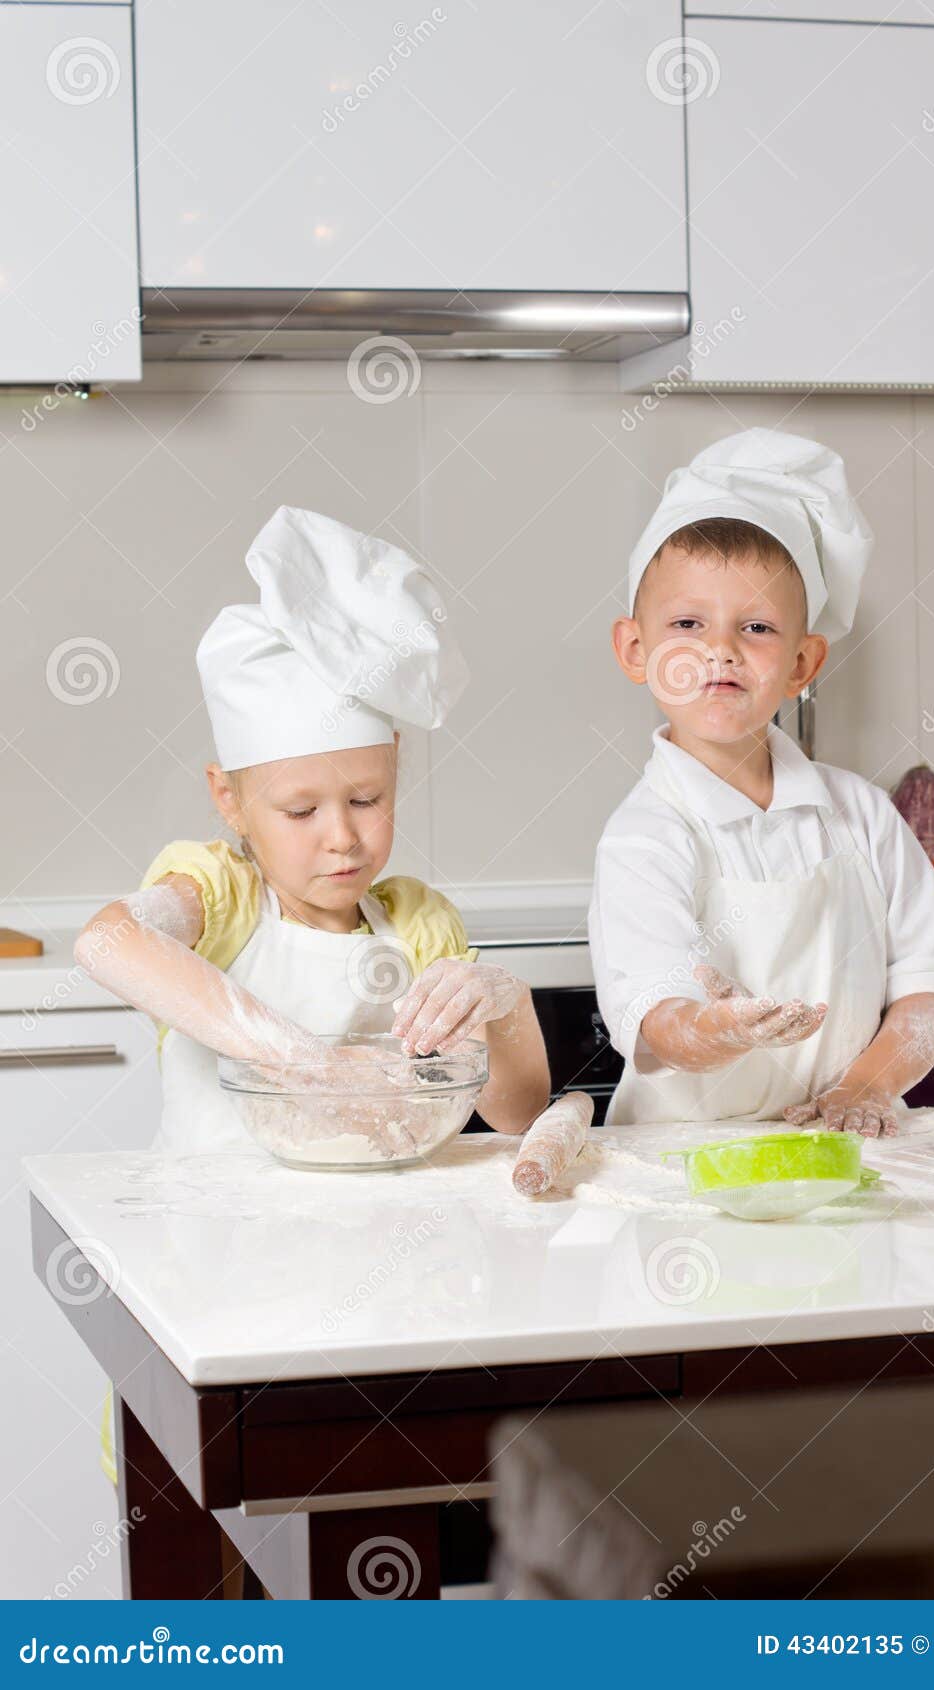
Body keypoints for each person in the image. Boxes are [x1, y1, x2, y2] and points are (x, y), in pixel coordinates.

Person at [75, 506, 550, 1486]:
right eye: (299, 809)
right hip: (210, 1271)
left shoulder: (416, 921)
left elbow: (518, 1112)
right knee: (208, 1534)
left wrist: (498, 996)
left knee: (358, 1507)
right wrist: (312, 1065)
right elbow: (107, 939)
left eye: (367, 800)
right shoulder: (220, 892)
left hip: (389, 1282)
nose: (341, 837)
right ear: (229, 800)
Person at [589, 429, 934, 1137]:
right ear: (635, 650)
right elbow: (659, 1021)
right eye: (687, 622)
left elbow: (929, 983)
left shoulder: (861, 813)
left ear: (801, 662)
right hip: (683, 1180)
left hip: (848, 1150)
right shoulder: (645, 837)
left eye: (756, 626)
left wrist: (864, 1089)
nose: (719, 650)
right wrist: (718, 1030)